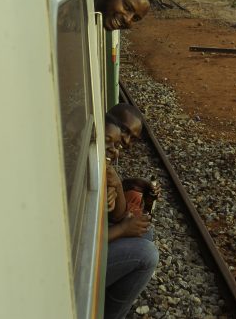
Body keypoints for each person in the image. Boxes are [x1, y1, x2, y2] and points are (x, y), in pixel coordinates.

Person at [104, 112, 158, 319]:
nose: (125, 142)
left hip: (94, 239)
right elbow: (82, 242)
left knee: (145, 234)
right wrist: (122, 229)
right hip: (76, 261)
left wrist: (123, 185)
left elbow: (118, 215)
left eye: (131, 138)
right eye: (124, 132)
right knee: (146, 254)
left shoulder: (108, 159)